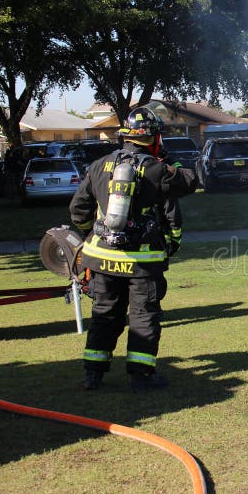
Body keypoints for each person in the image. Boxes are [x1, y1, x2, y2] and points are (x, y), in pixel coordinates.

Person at [69, 105, 198, 391]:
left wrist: (92, 233)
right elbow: (191, 181)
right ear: (153, 139)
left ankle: (93, 374)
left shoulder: (99, 165)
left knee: (105, 313)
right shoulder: (156, 170)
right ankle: (141, 376)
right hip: (142, 261)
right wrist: (169, 163)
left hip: (102, 258)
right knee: (143, 316)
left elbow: (78, 210)